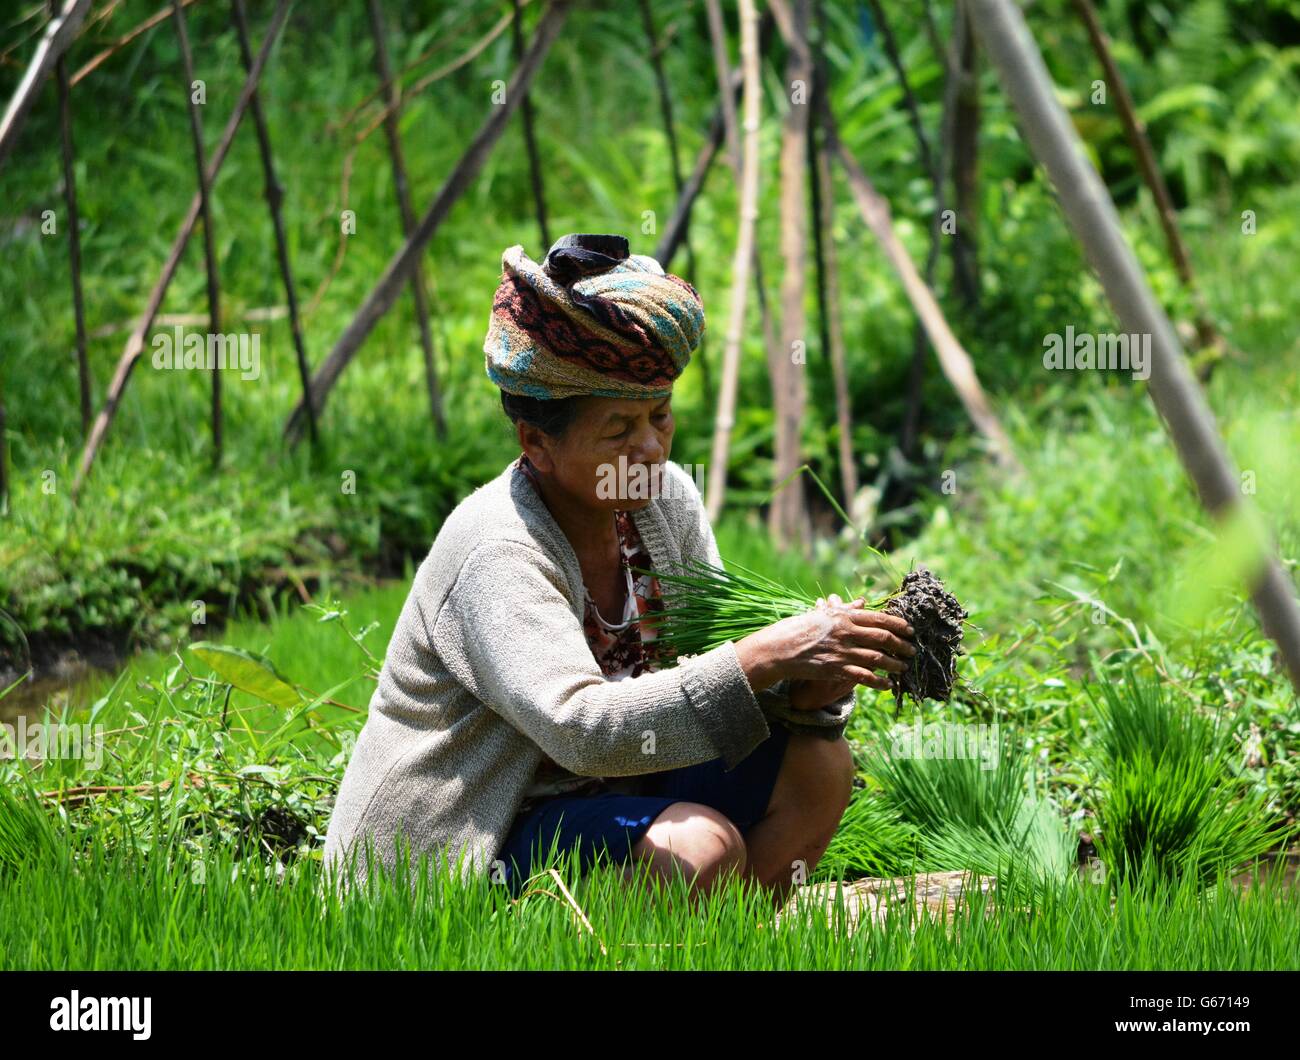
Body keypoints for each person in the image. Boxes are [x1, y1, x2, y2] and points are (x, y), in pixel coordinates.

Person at [320, 233, 916, 908]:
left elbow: (702, 668)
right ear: (536, 443)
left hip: (616, 793)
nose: (650, 448)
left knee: (817, 767)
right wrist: (763, 656)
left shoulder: (662, 503)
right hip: (472, 843)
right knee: (699, 848)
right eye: (618, 430)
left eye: (659, 418)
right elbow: (582, 730)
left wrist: (806, 688)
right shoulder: (498, 548)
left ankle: (710, 952)